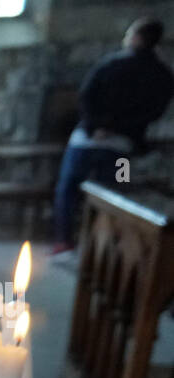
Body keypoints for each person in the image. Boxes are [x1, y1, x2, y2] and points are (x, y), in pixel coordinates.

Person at [52, 17, 174, 252]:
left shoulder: (108, 64)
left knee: (68, 188)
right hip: (123, 145)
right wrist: (120, 129)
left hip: (86, 140)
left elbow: (86, 96)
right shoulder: (164, 76)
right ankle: (103, 249)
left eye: (129, 34)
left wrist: (95, 127)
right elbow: (153, 112)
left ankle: (64, 241)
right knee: (115, 196)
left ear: (137, 38)